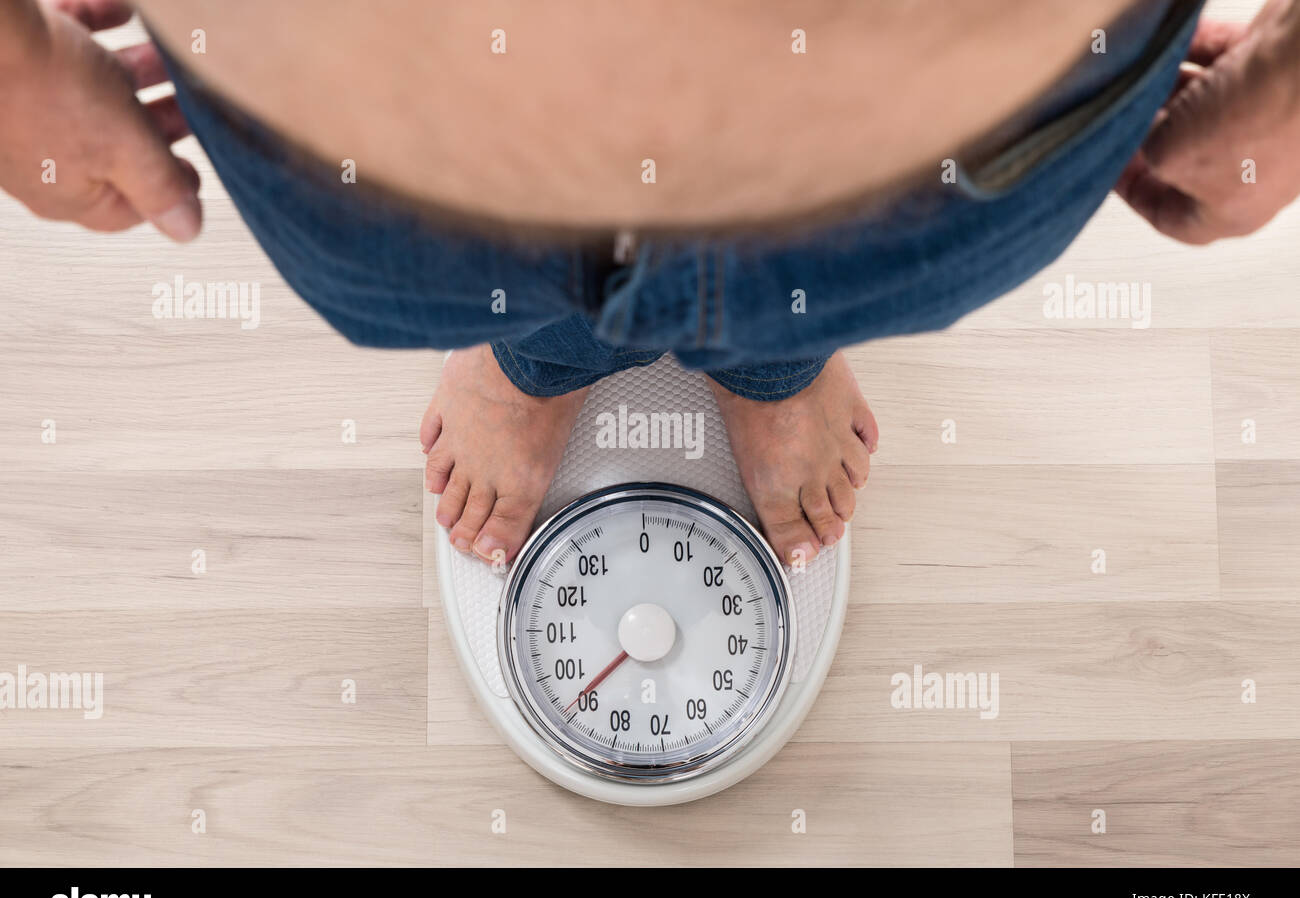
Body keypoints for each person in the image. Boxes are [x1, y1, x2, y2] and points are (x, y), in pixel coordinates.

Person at [3, 0, 1298, 568]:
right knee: (467, 297)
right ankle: (538, 357)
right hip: (350, 138)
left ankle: (773, 361)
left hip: (973, 128)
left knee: (847, 294)